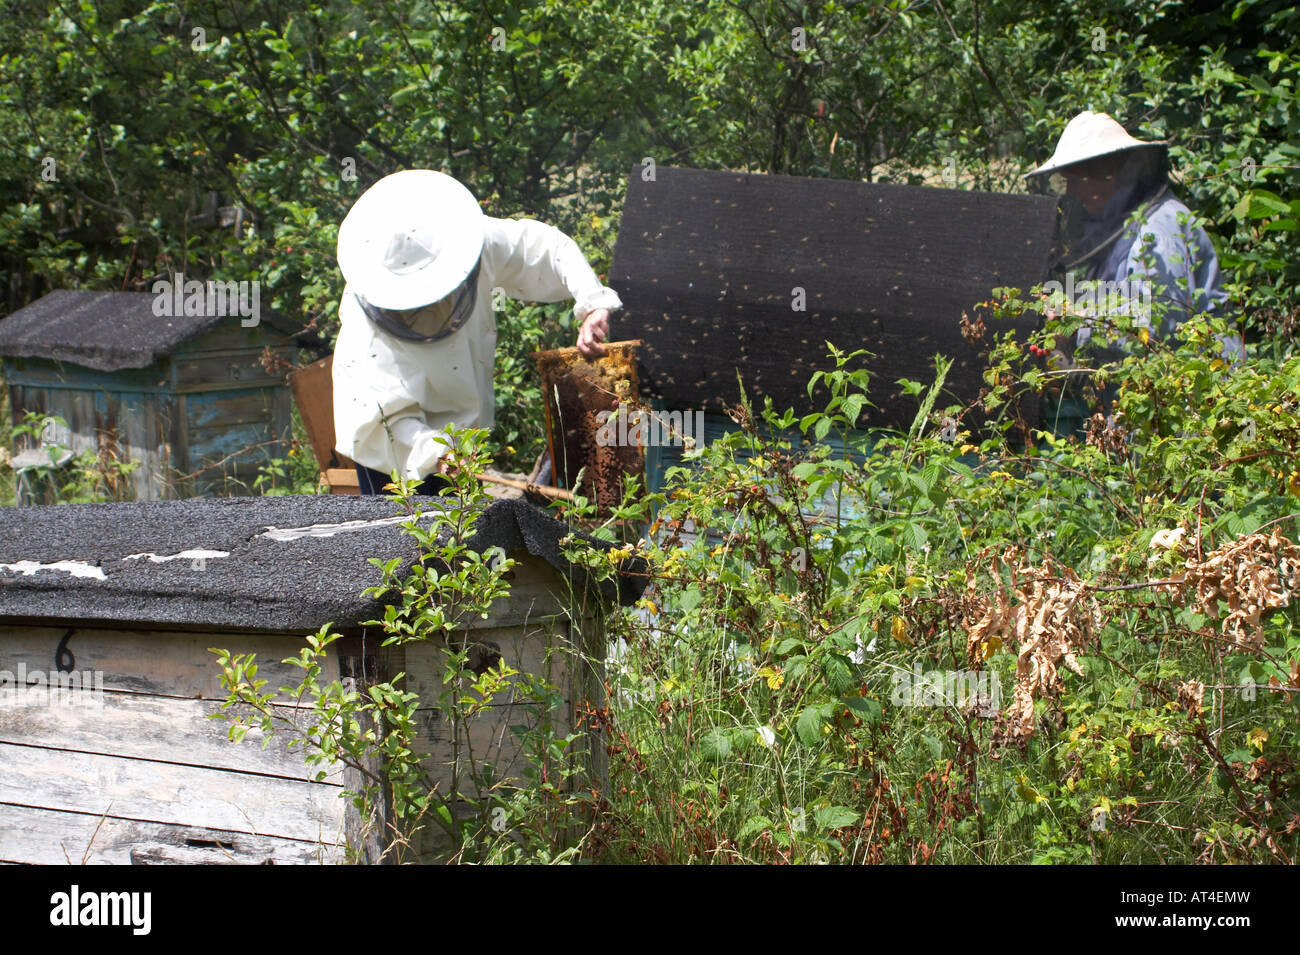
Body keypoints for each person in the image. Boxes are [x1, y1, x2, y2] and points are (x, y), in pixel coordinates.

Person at [332, 169, 621, 495]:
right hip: (394, 453)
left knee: (462, 535)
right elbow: (386, 422)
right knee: (399, 537)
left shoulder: (472, 242)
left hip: (464, 442)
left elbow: (543, 248)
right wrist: (437, 452)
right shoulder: (368, 335)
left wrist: (594, 301)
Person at [1026, 110, 1241, 364]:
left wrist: (1074, 323)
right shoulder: (1118, 228)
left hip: (1199, 391)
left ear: (1106, 175)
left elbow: (1155, 327)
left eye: (1075, 180)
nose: (1071, 192)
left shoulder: (1158, 231)